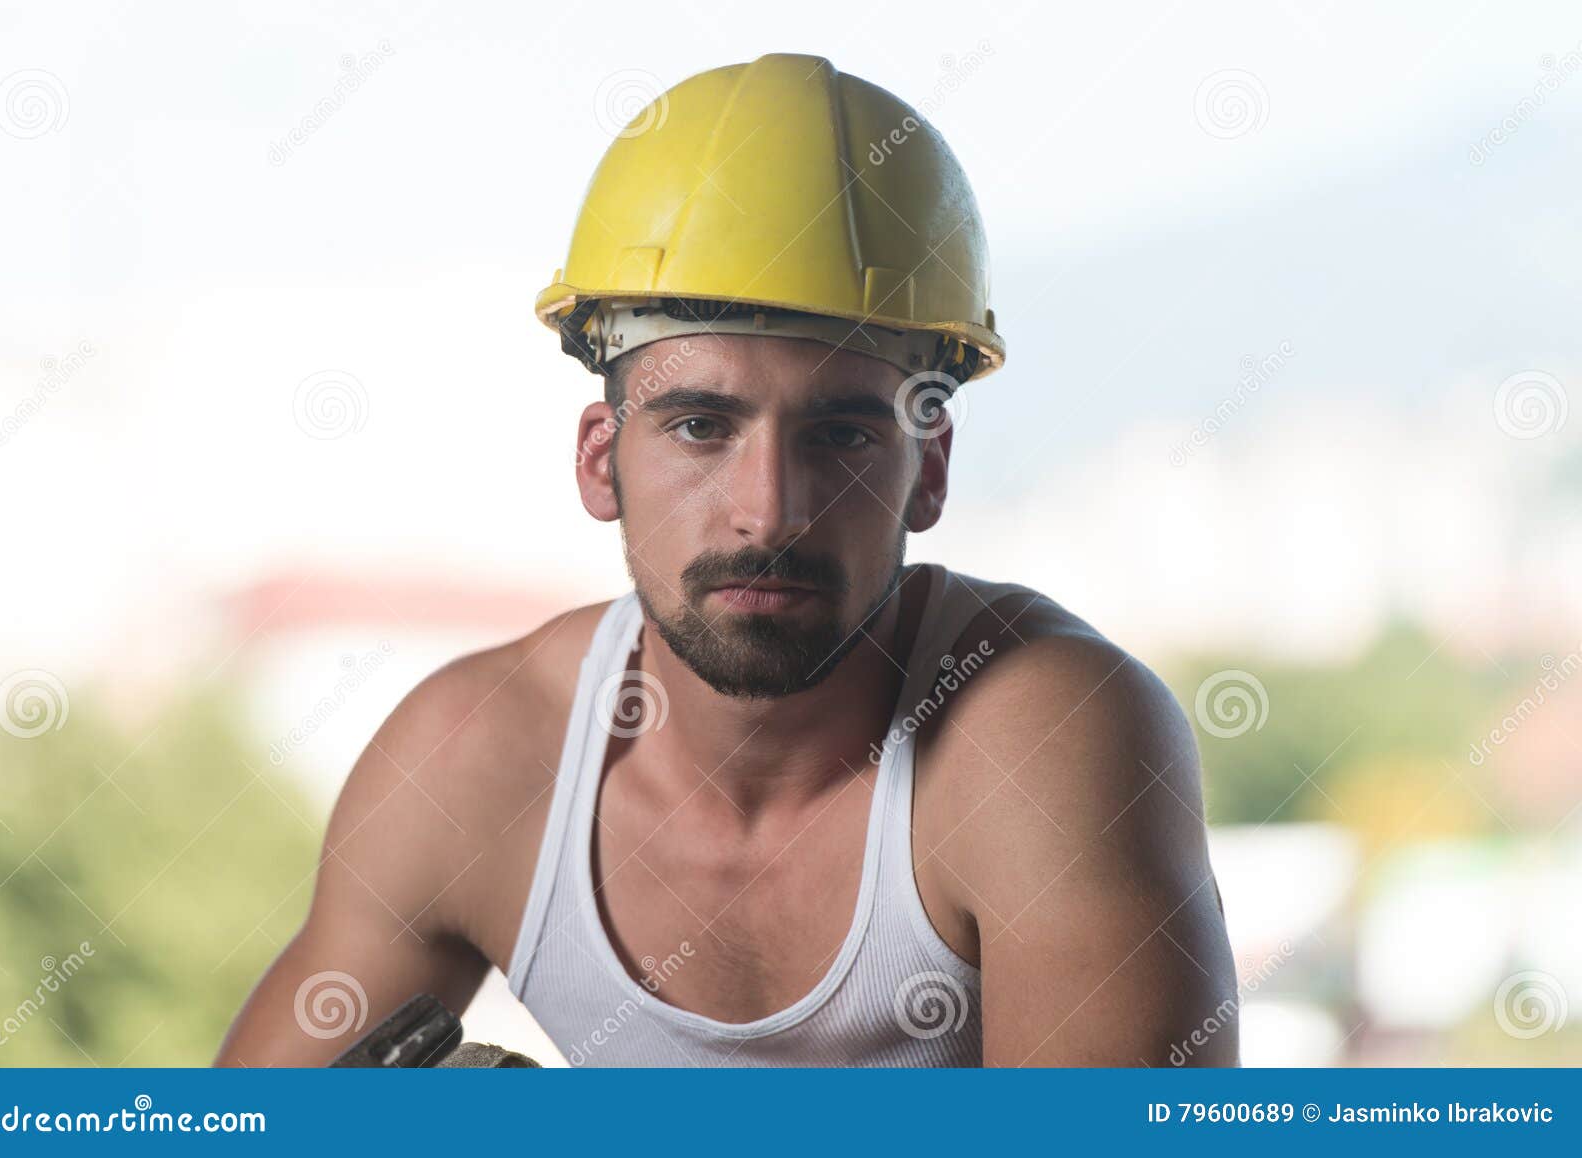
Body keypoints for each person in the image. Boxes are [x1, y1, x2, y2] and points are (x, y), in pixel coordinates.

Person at [217, 52, 1237, 1068]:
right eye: (701, 426)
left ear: (928, 473)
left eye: (839, 435)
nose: (767, 514)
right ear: (600, 458)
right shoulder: (474, 762)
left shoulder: (1040, 739)